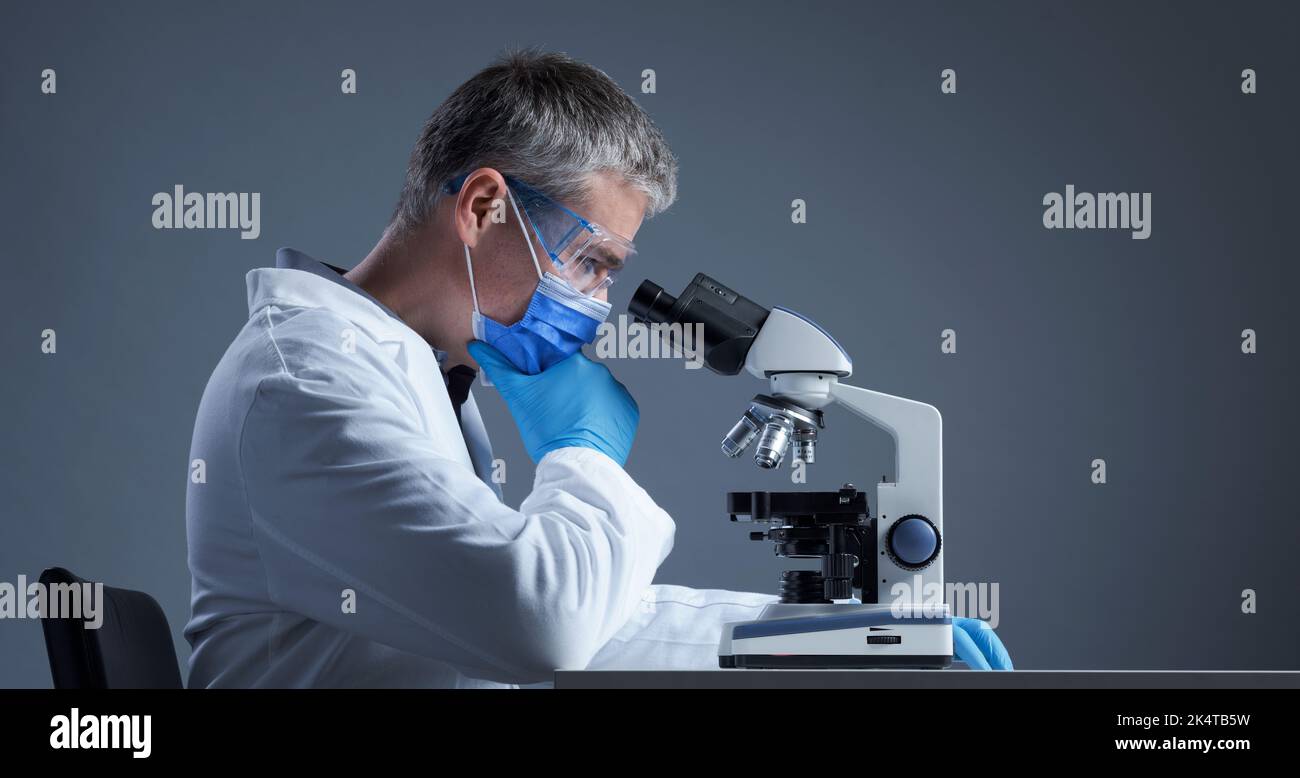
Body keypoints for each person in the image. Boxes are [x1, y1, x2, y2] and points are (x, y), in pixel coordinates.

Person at [183, 50, 1010, 688]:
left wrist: (824, 641)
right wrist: (582, 453)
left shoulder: (402, 370)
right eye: (590, 260)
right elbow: (541, 625)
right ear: (482, 207)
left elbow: (586, 616)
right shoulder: (305, 385)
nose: (600, 302)